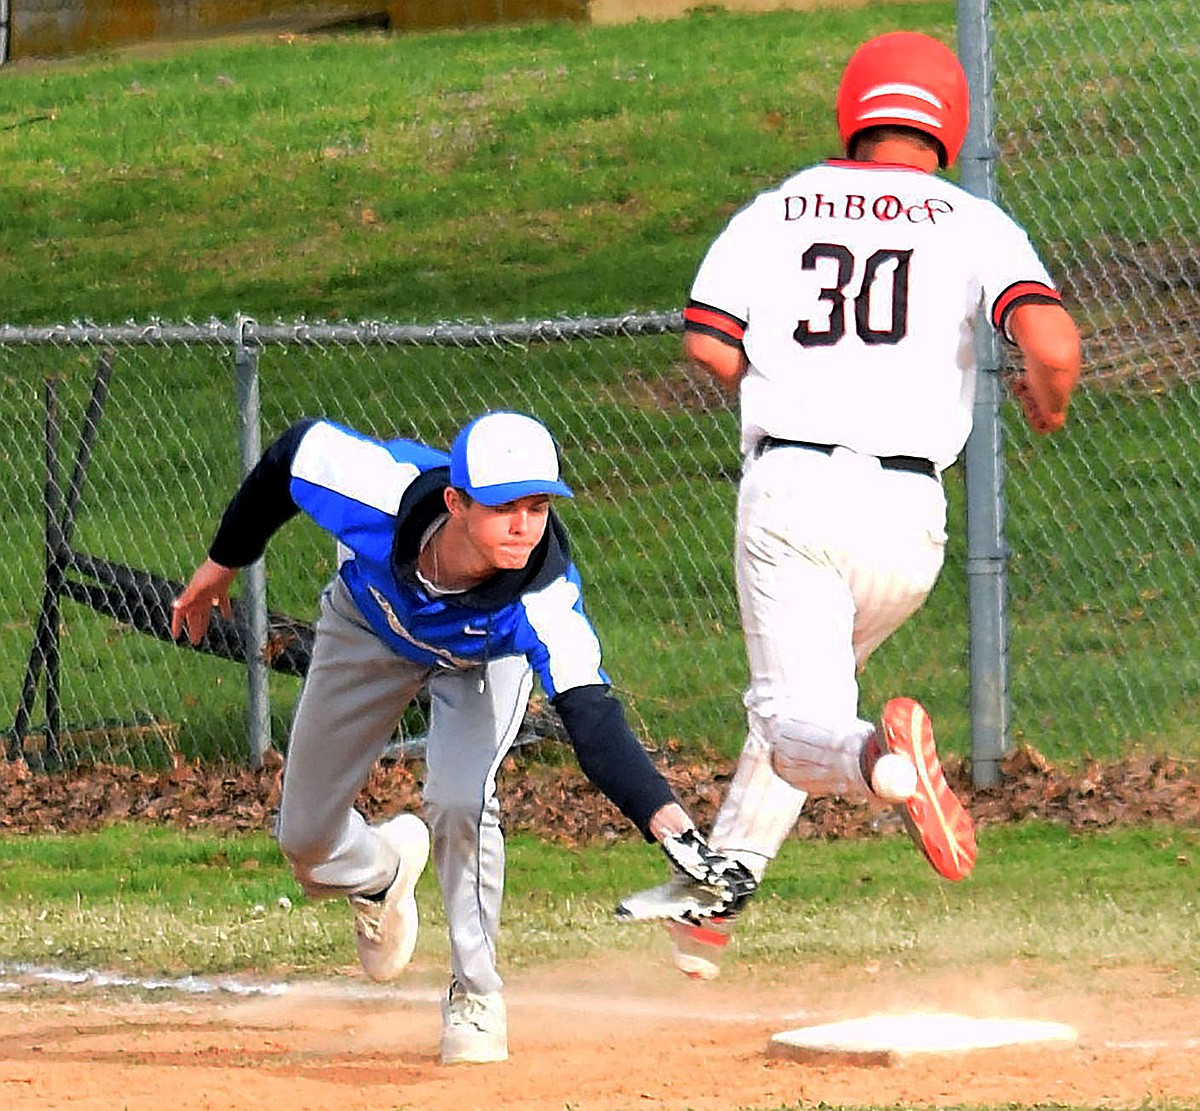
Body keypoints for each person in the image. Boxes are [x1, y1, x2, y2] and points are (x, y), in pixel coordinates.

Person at [616, 31, 1082, 980]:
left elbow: (709, 346)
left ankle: (883, 761)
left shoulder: (781, 207)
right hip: (909, 523)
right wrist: (1050, 398)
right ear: (947, 124)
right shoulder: (973, 221)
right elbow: (1054, 345)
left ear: (855, 114)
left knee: (800, 729)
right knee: (804, 700)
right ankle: (715, 896)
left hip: (796, 493)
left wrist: (786, 381)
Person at [171, 410, 753, 1063]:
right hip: (370, 624)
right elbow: (290, 454)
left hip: (484, 658)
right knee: (304, 839)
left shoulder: (543, 597)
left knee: (460, 799)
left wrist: (677, 834)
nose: (524, 526)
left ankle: (475, 995)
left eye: (538, 506)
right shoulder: (378, 492)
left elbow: (593, 718)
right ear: (456, 501)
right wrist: (224, 562)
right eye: (504, 506)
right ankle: (378, 874)